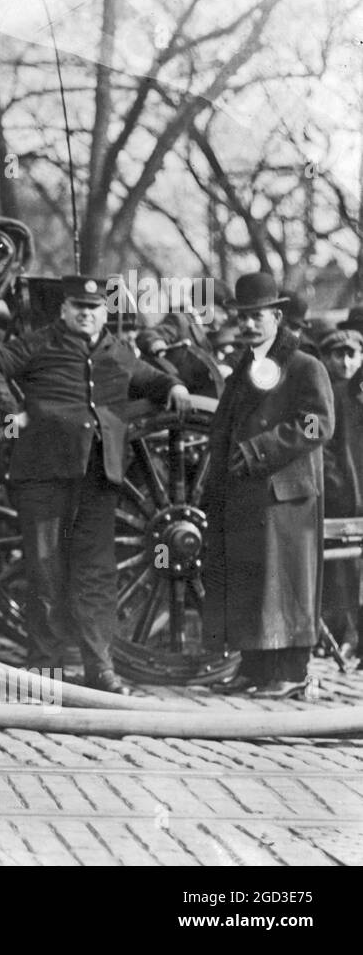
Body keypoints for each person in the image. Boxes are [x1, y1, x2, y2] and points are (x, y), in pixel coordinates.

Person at [0, 275, 190, 695]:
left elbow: (152, 379)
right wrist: (11, 414)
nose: (86, 314)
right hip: (43, 474)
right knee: (45, 571)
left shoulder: (119, 352)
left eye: (93, 308)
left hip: (99, 477)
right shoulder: (39, 344)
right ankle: (44, 670)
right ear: (64, 311)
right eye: (78, 307)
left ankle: (100, 669)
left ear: (104, 313)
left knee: (96, 576)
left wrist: (175, 384)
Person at [203, 272, 334, 699]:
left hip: (286, 496)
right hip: (246, 493)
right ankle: (254, 669)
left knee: (287, 586)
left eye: (257, 316)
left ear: (277, 316)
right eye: (242, 317)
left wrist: (262, 448)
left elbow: (318, 423)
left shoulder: (303, 365)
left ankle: (291, 672)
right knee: (251, 582)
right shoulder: (243, 369)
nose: (248, 325)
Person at [318, 329, 363, 662]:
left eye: (352, 355)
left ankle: (353, 634)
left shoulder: (358, 394)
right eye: (339, 355)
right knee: (336, 569)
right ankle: (339, 632)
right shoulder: (324, 393)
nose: (346, 362)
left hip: (357, 488)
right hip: (337, 492)